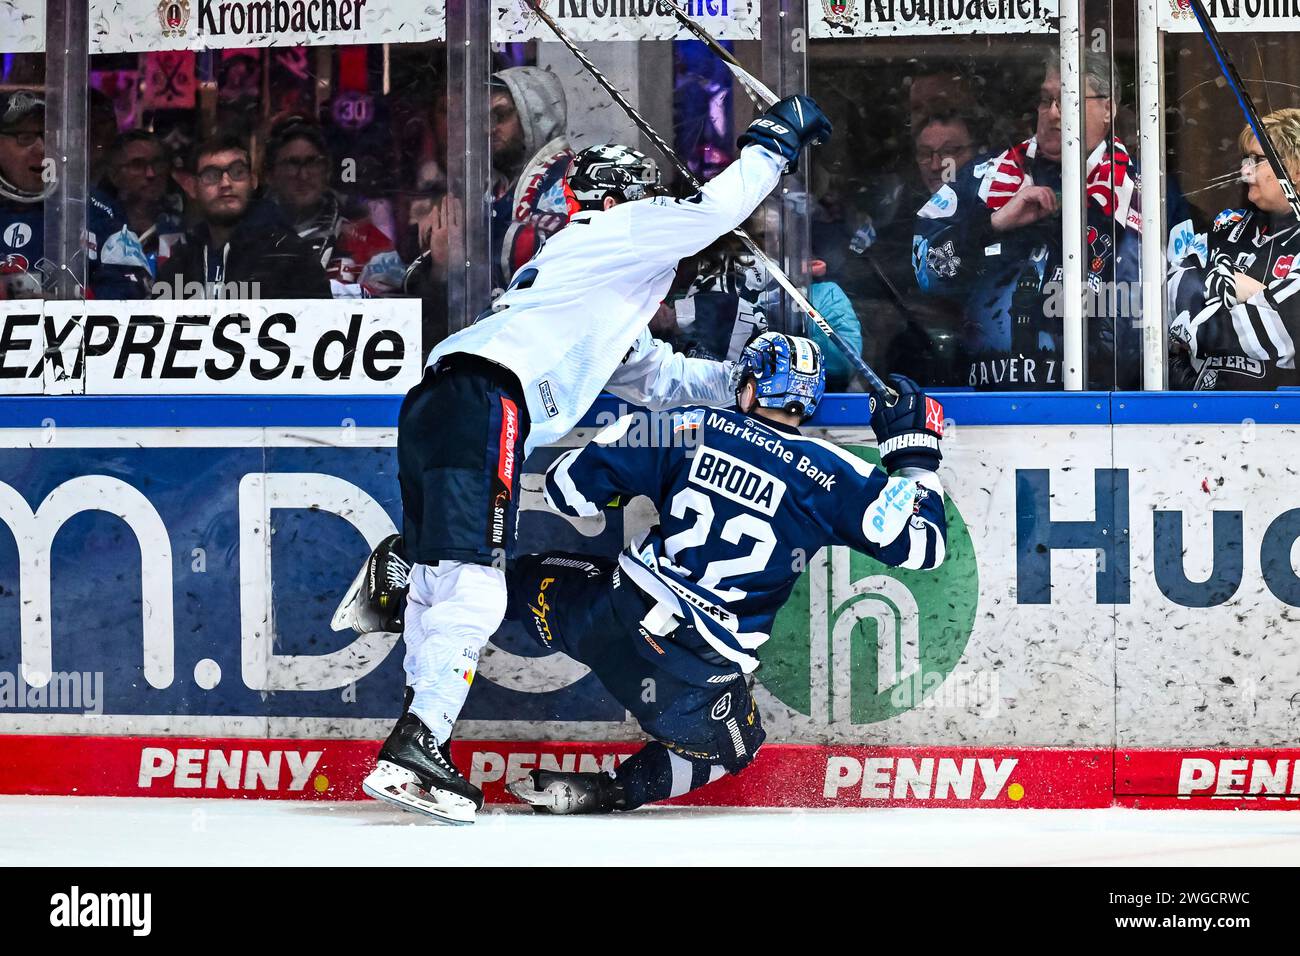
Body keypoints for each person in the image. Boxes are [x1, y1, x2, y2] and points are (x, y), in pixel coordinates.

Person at [335, 96, 832, 824]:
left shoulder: (588, 279)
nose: (656, 209)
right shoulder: (614, 229)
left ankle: (416, 738)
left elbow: (651, 377)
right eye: (646, 197)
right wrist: (774, 142)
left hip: (440, 399)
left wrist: (747, 382)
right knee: (474, 588)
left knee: (445, 584)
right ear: (616, 198)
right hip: (488, 403)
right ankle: (418, 740)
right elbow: (711, 213)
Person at [505, 332, 947, 813]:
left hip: (610, 616)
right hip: (694, 677)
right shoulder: (834, 473)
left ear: (751, 389)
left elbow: (565, 488)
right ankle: (608, 792)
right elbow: (925, 546)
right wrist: (914, 455)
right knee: (736, 749)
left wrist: (630, 486)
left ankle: (413, 595)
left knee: (518, 581)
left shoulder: (689, 425)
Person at [912, 54, 1142, 390]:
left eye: (1068, 100)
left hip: (1096, 406)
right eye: (1046, 99)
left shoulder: (1144, 193)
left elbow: (1159, 314)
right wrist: (989, 226)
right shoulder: (982, 179)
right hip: (984, 401)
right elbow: (925, 273)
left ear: (1108, 109)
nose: (1053, 113)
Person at [1168, 107, 1300, 391]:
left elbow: (1285, 330)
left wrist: (1205, 315)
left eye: (1258, 160)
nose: (1245, 171)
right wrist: (1256, 294)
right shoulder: (1227, 226)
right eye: (1245, 159)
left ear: (1296, 170)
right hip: (1201, 406)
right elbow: (1175, 287)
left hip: (1280, 419)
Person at [0, 90, 150, 300]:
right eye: (25, 138)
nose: (42, 148)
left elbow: (136, 289)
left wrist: (71, 305)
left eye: (49, 136)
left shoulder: (95, 209)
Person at [155, 132, 331, 300]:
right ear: (193, 187)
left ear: (253, 180)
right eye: (211, 175)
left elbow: (321, 326)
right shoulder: (181, 263)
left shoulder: (290, 255)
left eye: (238, 172)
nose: (225, 183)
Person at [262, 117, 405, 298]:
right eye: (292, 163)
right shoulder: (245, 238)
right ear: (270, 175)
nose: (303, 175)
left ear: (327, 170)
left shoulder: (366, 240)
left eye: (312, 162)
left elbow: (396, 309)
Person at [487, 66, 574, 295]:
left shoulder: (568, 177)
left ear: (536, 115)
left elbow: (555, 260)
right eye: (484, 119)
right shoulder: (496, 184)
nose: (490, 128)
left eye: (501, 115)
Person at [102, 130, 185, 277]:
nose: (151, 174)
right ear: (113, 175)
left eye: (157, 164)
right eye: (137, 165)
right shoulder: (100, 230)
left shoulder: (184, 226)